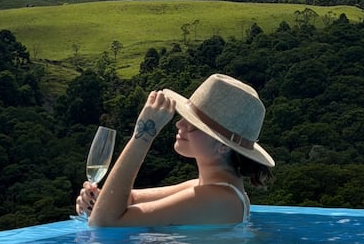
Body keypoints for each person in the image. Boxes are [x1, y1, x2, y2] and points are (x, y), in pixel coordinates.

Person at [76, 73, 274, 227]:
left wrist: (144, 134)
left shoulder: (217, 198)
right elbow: (129, 199)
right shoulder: (208, 189)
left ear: (222, 146)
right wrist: (95, 199)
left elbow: (105, 223)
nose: (179, 124)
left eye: (192, 124)